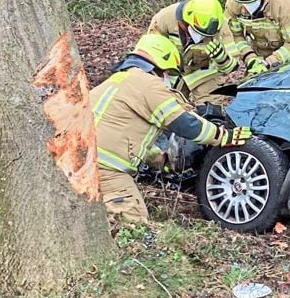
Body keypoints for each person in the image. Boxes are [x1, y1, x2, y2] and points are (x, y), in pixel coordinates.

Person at [90, 33, 252, 225]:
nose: (167, 80)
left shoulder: (118, 81)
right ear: (160, 66)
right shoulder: (149, 85)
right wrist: (223, 136)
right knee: (131, 222)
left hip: (82, 161)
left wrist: (159, 160)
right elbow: (185, 124)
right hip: (106, 169)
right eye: (168, 74)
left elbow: (123, 133)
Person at [148, 0, 235, 104]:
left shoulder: (223, 27)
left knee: (211, 113)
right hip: (171, 74)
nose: (201, 37)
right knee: (168, 110)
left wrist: (222, 59)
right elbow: (149, 51)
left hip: (205, 75)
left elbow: (232, 66)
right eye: (198, 31)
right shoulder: (164, 19)